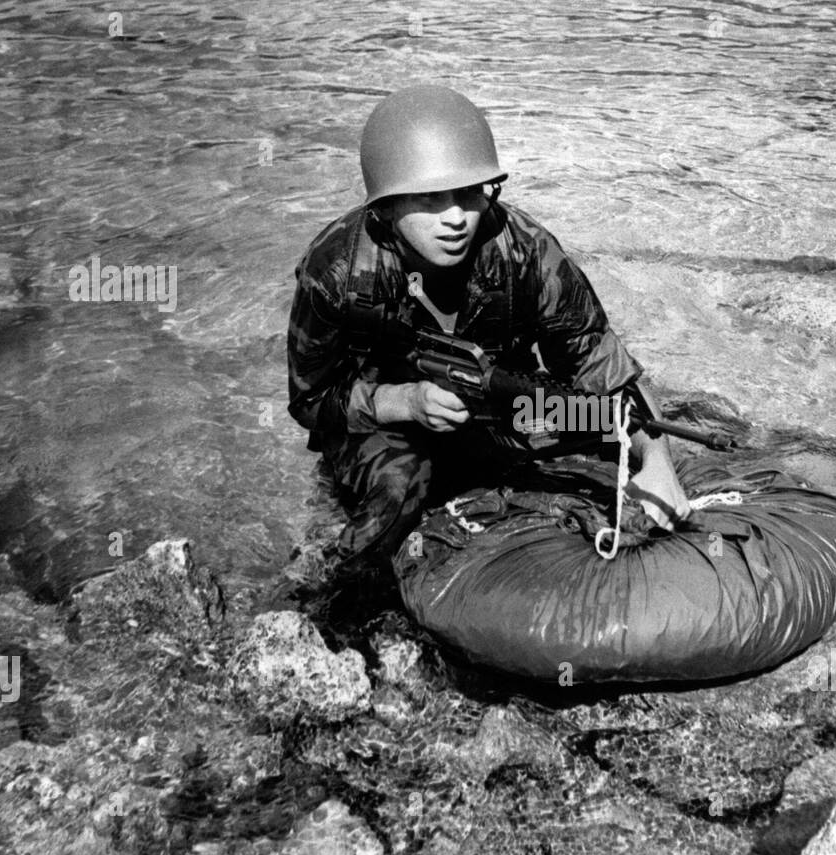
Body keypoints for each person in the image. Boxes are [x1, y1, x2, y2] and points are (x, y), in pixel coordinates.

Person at [283, 84, 689, 598]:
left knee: (604, 425)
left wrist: (657, 463)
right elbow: (311, 401)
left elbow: (599, 363)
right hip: (391, 428)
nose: (456, 218)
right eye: (431, 199)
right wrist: (404, 401)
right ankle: (346, 611)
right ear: (385, 208)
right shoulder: (337, 271)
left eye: (470, 194)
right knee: (395, 497)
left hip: (505, 406)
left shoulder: (524, 251)